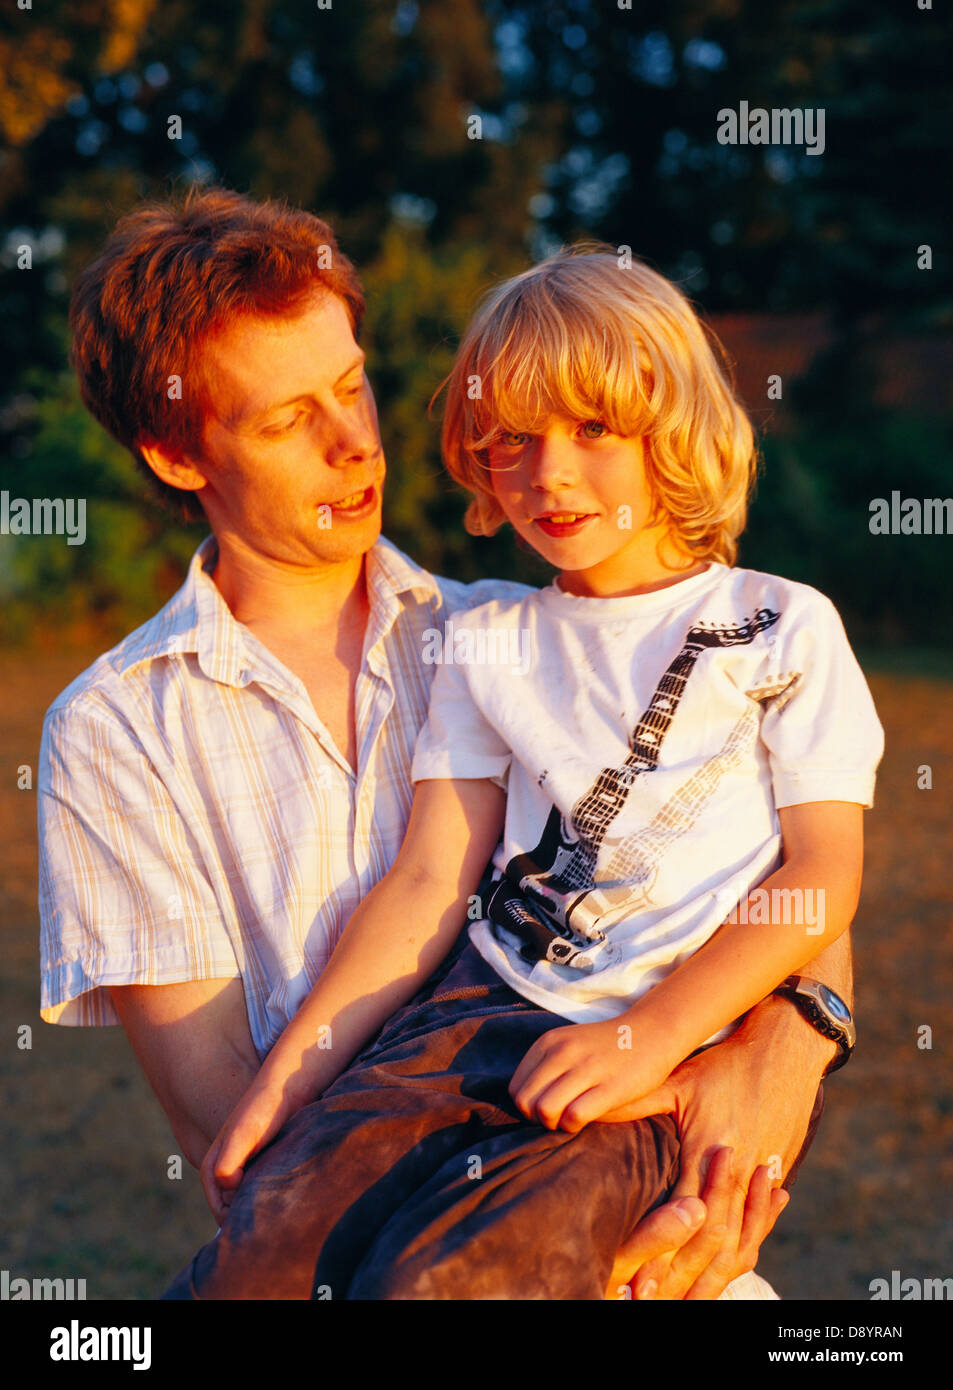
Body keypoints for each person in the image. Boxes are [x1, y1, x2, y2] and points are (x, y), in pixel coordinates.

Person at [38, 188, 857, 1302]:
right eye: (287, 421)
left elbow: (795, 875)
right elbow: (238, 1138)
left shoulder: (491, 622)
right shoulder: (112, 730)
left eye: (351, 385)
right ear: (180, 454)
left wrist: (775, 1045)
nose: (350, 442)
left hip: (633, 1205)